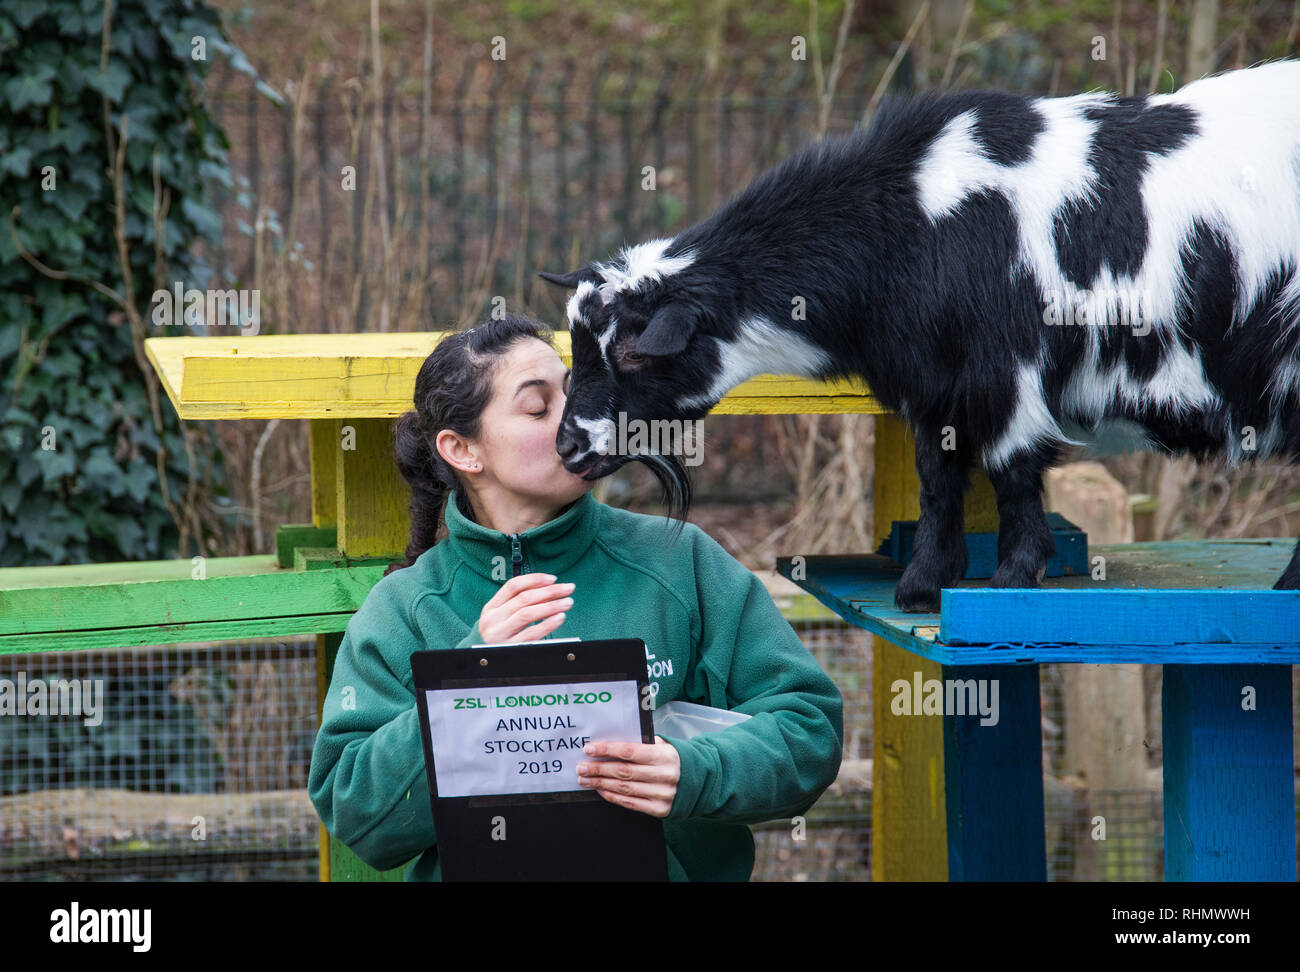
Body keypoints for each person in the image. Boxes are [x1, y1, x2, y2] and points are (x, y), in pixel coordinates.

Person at [308, 313, 843, 881]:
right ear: (462, 450)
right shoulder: (404, 608)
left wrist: (695, 772)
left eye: (573, 389)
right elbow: (355, 811)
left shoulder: (678, 561)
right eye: (539, 408)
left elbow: (810, 729)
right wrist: (465, 682)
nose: (581, 414)